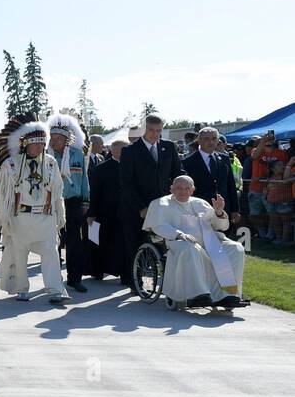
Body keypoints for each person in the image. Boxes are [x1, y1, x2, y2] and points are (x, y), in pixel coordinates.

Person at [0, 121, 69, 303]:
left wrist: (60, 213)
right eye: (36, 143)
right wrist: (3, 216)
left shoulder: (51, 163)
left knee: (51, 253)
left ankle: (55, 290)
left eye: (43, 143)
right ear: (25, 143)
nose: (41, 147)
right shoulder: (11, 164)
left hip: (45, 217)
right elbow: (3, 194)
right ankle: (22, 287)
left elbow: (57, 191)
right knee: (19, 253)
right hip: (20, 217)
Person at [144, 176, 245, 306]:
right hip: (179, 242)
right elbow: (158, 225)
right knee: (190, 248)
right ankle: (198, 294)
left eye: (187, 189)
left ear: (192, 190)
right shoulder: (160, 203)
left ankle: (227, 294)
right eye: (179, 188)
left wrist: (219, 212)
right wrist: (179, 234)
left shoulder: (200, 203)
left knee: (236, 248)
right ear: (172, 189)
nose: (183, 192)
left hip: (210, 242)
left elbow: (221, 226)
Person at [119, 115, 182, 286]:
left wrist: (184, 187)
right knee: (135, 244)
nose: (155, 134)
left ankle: (169, 282)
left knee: (166, 245)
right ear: (143, 129)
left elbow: (177, 172)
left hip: (164, 206)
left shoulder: (168, 147)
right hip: (138, 208)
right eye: (151, 130)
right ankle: (135, 283)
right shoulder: (130, 151)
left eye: (159, 131)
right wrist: (141, 207)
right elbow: (126, 183)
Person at [47, 115, 90, 293]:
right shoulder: (46, 156)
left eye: (58, 139)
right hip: (52, 203)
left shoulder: (77, 153)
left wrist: (86, 200)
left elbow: (84, 178)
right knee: (53, 242)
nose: (54, 141)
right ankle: (55, 280)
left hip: (73, 203)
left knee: (75, 243)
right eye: (52, 138)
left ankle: (74, 279)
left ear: (66, 139)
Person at [87, 139, 133, 285]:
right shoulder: (101, 169)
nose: (124, 153)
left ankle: (126, 274)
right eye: (121, 149)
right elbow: (94, 192)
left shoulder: (134, 167)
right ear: (113, 151)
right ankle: (99, 270)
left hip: (127, 212)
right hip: (105, 212)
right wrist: (91, 213)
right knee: (101, 242)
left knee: (125, 245)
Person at [182, 127, 239, 230]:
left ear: (218, 141)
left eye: (214, 139)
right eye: (206, 139)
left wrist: (235, 209)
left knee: (224, 240)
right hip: (200, 211)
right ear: (199, 140)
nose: (210, 142)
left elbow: (230, 185)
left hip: (224, 210)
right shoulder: (188, 162)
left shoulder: (225, 159)